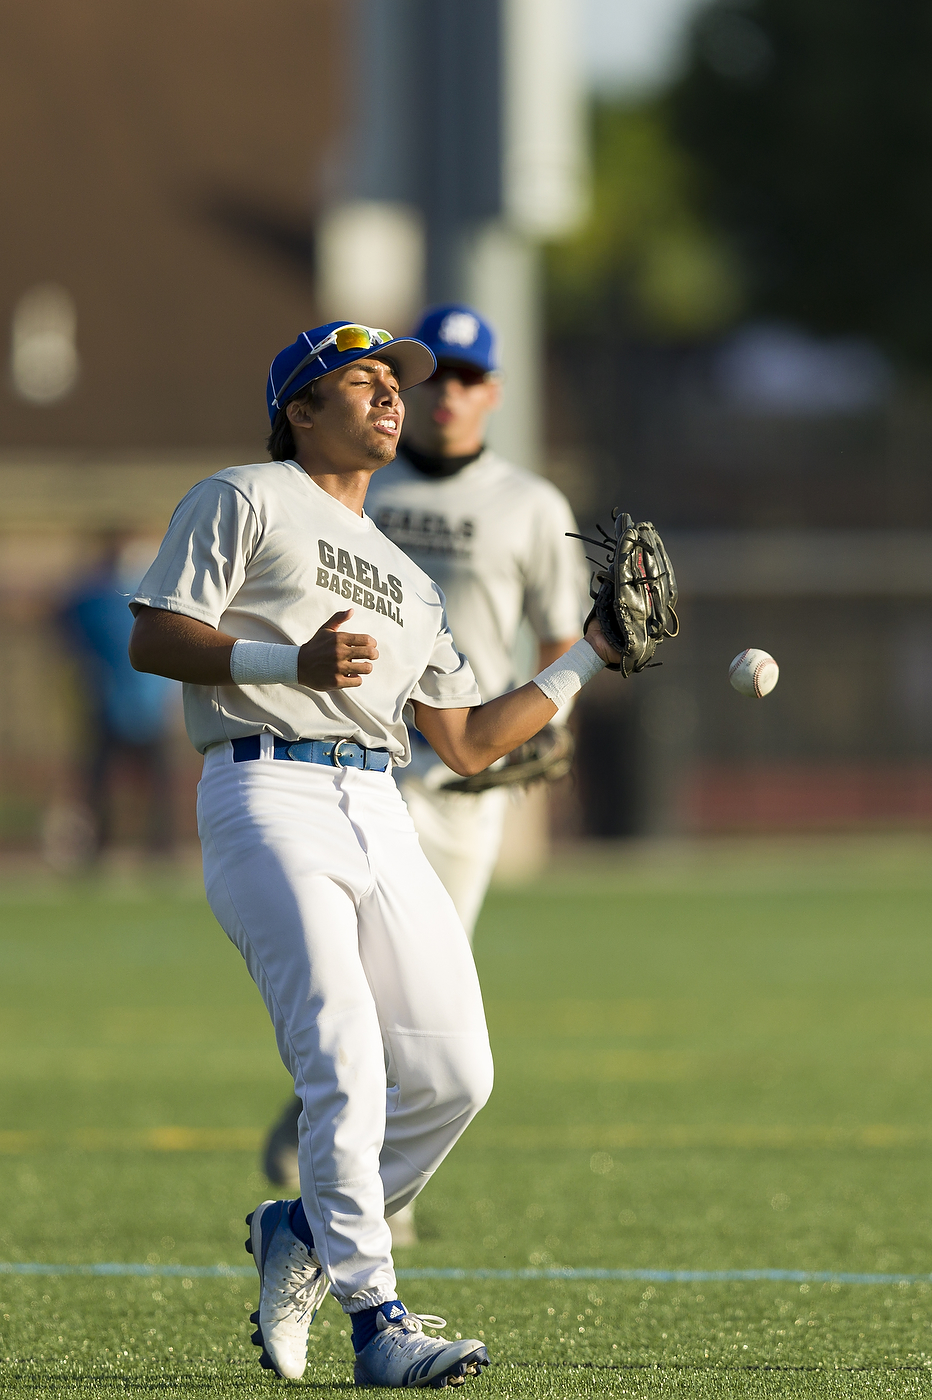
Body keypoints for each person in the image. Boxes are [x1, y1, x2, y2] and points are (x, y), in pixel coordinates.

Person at [128, 320, 618, 1386]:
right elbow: (155, 633)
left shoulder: (407, 578)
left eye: (396, 384)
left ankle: (300, 1226)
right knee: (343, 1053)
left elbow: (467, 737)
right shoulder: (243, 496)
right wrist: (285, 655)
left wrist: (591, 652)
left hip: (377, 802)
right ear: (300, 412)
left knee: (453, 1071)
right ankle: (376, 1319)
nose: (391, 396)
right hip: (264, 788)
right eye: (361, 381)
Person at [262, 305, 587, 1243]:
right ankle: (356, 1199)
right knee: (360, 993)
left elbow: (561, 637)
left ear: (495, 393)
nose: (450, 394)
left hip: (465, 776)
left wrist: (546, 719)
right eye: (435, 376)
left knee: (424, 1001)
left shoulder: (529, 505)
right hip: (355, 761)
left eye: (471, 378)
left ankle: (332, 1161)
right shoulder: (360, 481)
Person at [60, 534, 177, 860]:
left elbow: (64, 624)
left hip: (130, 705)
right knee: (121, 785)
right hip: (123, 704)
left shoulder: (93, 597)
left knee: (131, 785)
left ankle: (126, 848)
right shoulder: (116, 597)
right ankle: (141, 849)